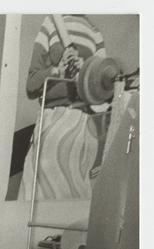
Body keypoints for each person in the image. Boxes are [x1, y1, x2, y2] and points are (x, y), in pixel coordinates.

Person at [18, 14, 110, 200]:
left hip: (83, 129)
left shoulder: (95, 32)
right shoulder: (51, 22)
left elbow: (103, 91)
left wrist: (85, 71)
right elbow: (31, 86)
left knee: (75, 211)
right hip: (51, 124)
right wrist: (58, 69)